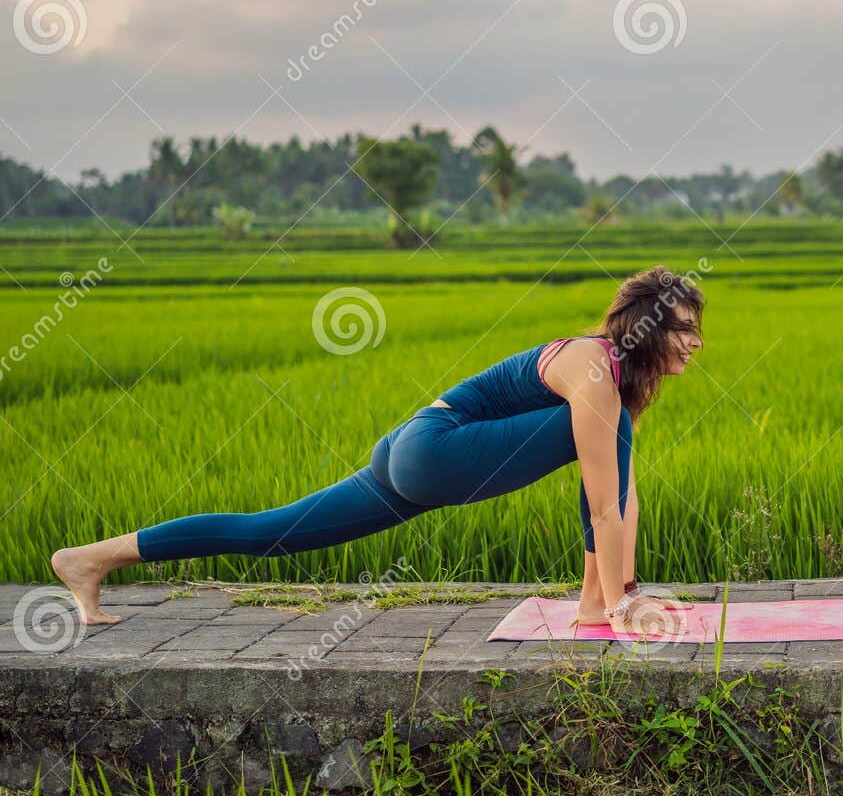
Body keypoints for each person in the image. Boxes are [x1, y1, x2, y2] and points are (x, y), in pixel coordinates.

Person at [50, 265, 704, 637]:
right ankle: (596, 602)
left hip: (411, 451)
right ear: (646, 325)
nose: (696, 342)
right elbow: (604, 501)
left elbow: (623, 492)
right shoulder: (594, 373)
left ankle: (90, 559)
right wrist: (623, 604)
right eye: (685, 329)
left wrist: (628, 586)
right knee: (600, 436)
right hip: (435, 450)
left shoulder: (609, 384)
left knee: (271, 532)